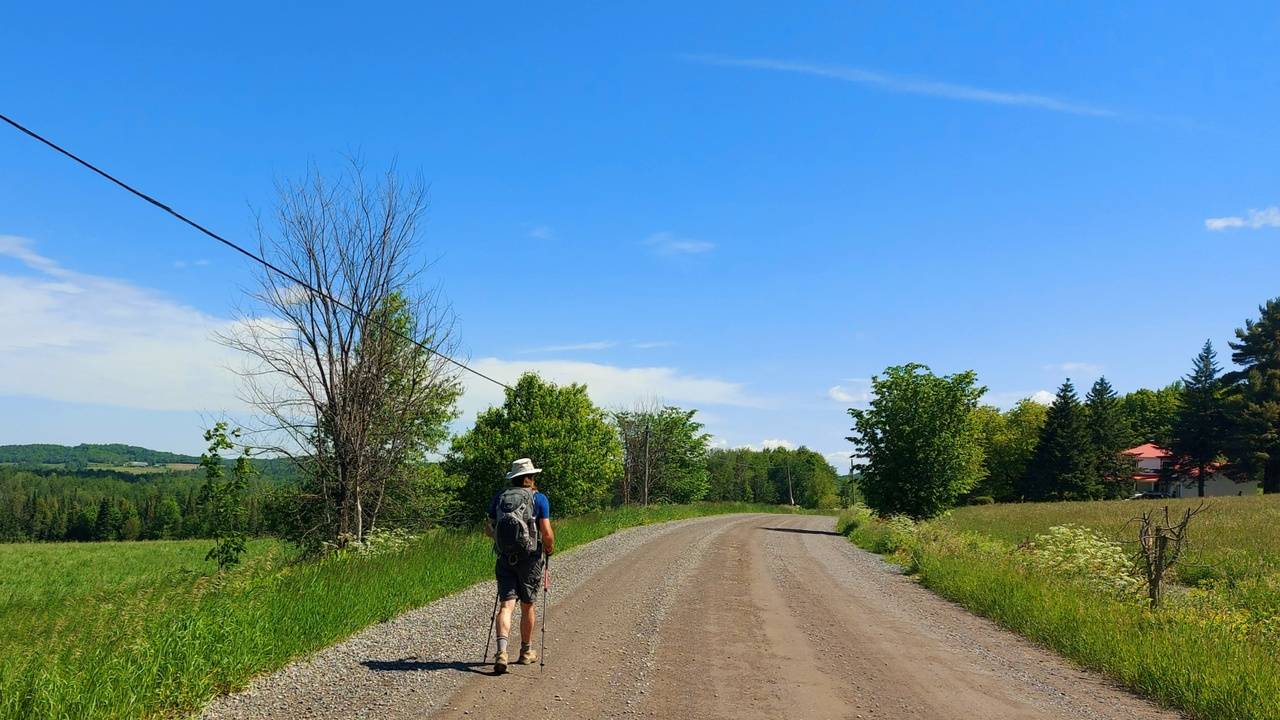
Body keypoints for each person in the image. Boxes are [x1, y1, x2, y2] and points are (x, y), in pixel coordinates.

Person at [485, 457, 555, 674]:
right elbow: (546, 533)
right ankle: (525, 652)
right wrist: (549, 549)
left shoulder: (500, 498)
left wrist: (502, 542)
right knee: (527, 605)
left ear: (513, 478)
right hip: (530, 559)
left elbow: (489, 528)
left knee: (506, 606)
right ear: (531, 477)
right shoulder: (539, 499)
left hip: (505, 558)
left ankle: (501, 652)